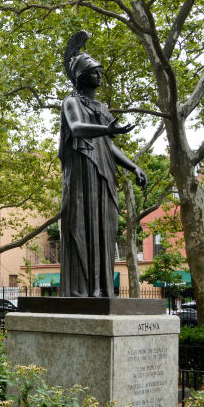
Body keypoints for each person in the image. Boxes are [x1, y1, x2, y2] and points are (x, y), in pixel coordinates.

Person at [59, 32, 147, 297]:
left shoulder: (102, 107)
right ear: (80, 76)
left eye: (99, 71)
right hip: (82, 173)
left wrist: (133, 167)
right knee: (84, 226)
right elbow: (76, 129)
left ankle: (101, 289)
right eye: (92, 71)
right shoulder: (71, 102)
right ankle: (82, 289)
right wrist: (104, 129)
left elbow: (108, 144)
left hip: (103, 172)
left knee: (104, 228)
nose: (98, 75)